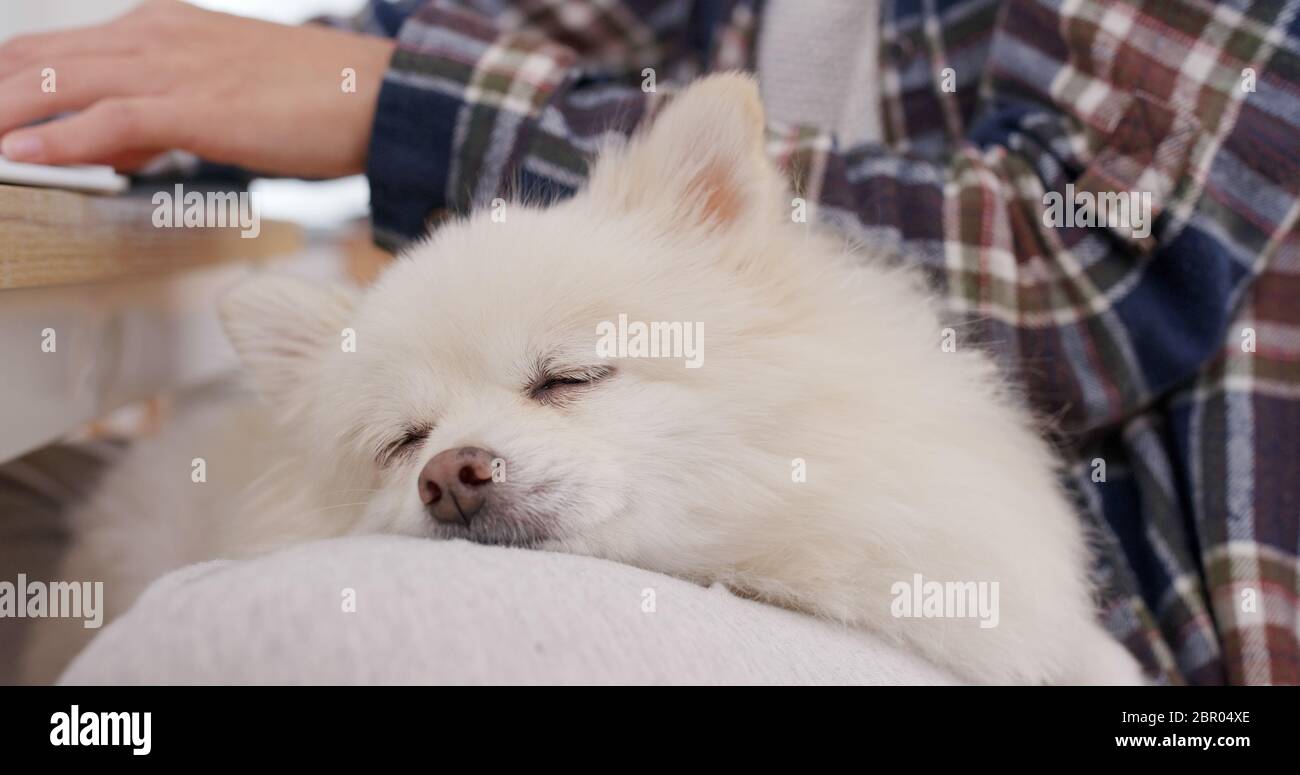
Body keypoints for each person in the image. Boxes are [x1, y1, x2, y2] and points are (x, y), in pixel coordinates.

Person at [0, 0, 1296, 686]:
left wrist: (388, 100)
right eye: (408, 442)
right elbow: (389, 42)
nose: (457, 462)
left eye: (564, 381)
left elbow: (1085, 262)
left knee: (235, 644)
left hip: (1139, 617)